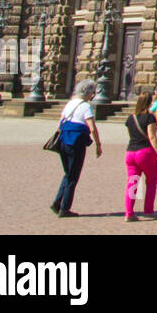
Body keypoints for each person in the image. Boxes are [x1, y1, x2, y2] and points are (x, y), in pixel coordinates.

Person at [50, 79, 101, 218]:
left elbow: (60, 124)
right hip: (76, 143)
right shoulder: (85, 106)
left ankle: (57, 202)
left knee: (68, 173)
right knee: (73, 176)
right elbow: (92, 127)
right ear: (89, 93)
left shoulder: (70, 104)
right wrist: (98, 144)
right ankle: (64, 209)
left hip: (63, 142)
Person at [122, 90, 157, 222]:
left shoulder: (130, 118)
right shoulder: (150, 117)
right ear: (149, 102)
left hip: (130, 153)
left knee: (132, 183)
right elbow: (152, 136)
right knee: (151, 182)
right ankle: (148, 211)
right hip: (145, 153)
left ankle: (129, 213)